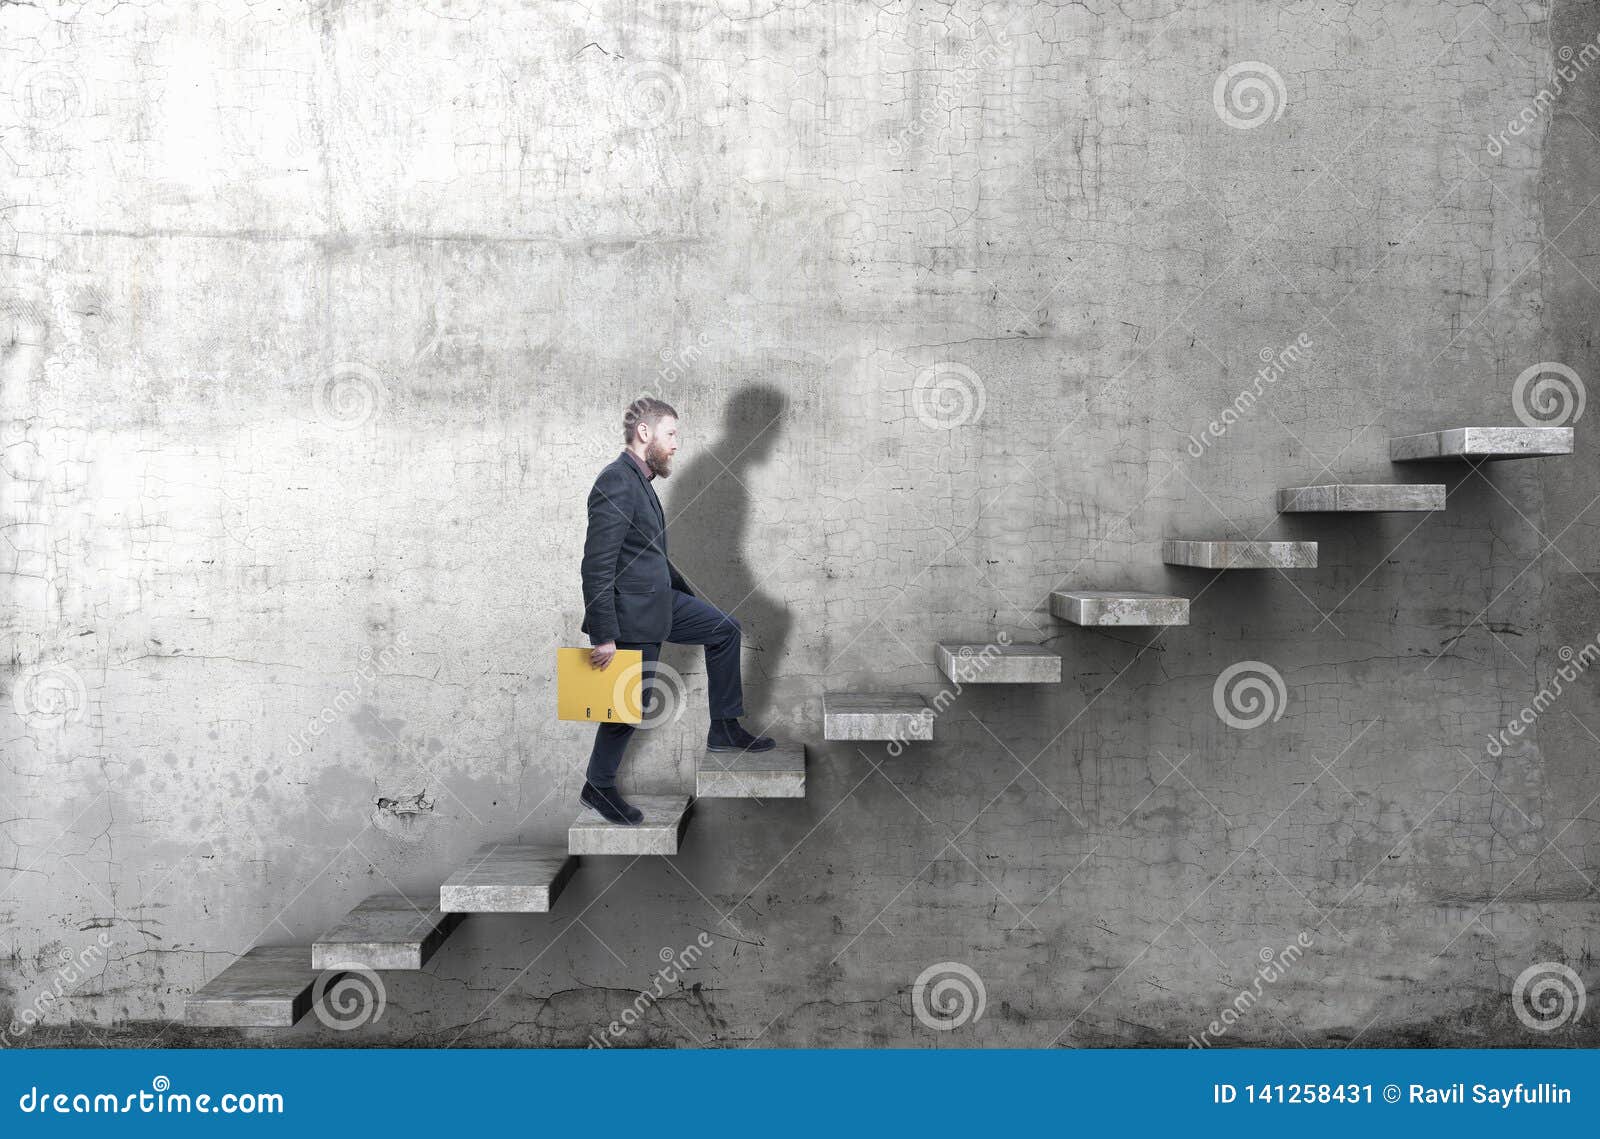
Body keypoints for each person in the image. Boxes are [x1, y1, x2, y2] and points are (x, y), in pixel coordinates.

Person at [578, 397, 774, 825]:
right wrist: (604, 635)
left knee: (724, 629)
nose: (675, 445)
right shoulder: (616, 481)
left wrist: (687, 598)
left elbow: (647, 554)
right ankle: (597, 786)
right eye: (671, 435)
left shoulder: (640, 480)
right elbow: (597, 563)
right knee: (628, 706)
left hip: (660, 601)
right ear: (644, 433)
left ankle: (723, 728)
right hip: (630, 615)